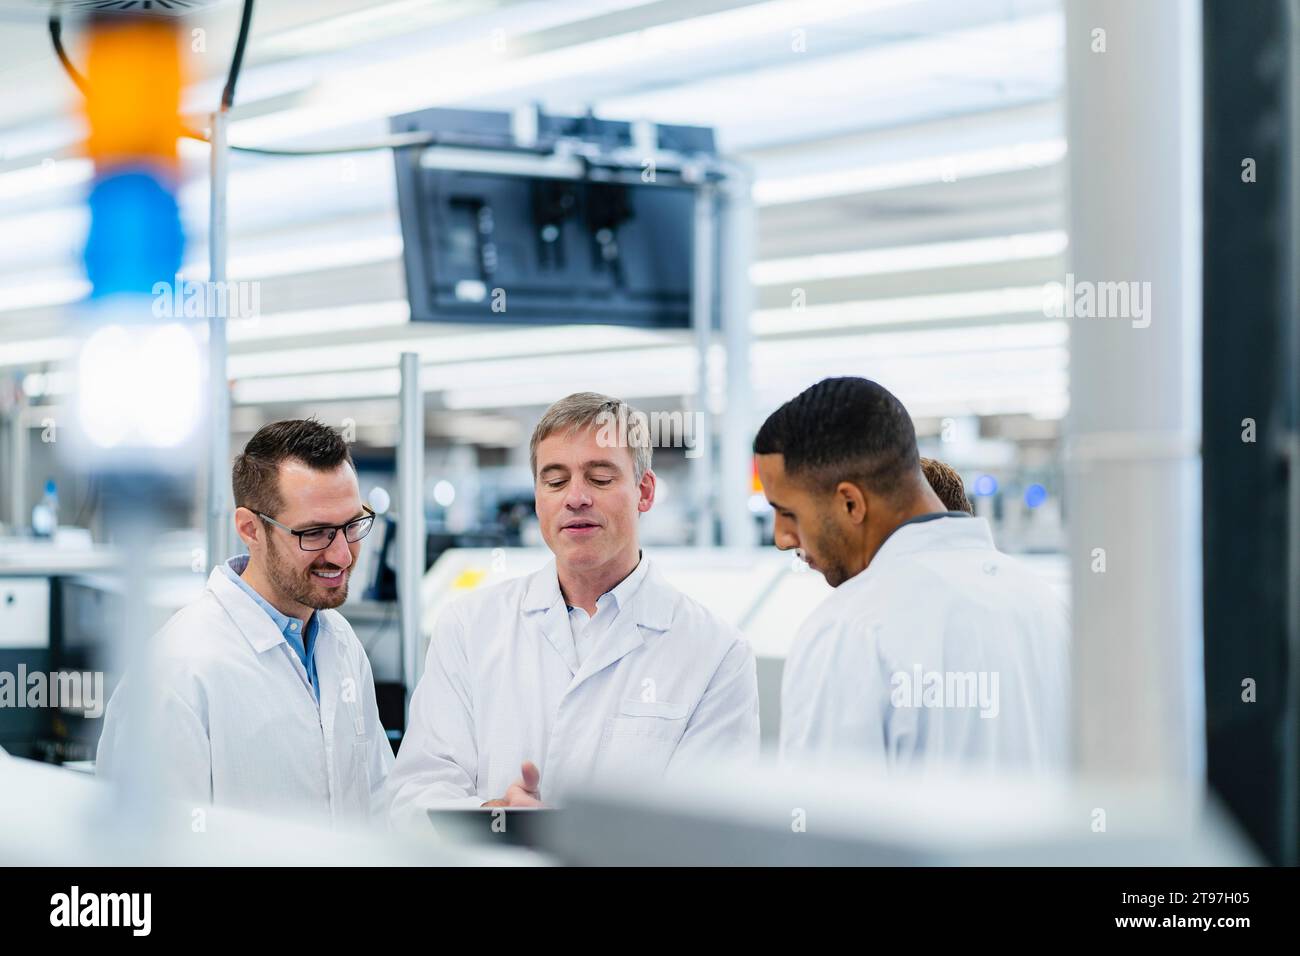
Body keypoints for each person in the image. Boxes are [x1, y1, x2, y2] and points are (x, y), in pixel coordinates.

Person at [387, 392, 759, 823]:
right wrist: (495, 817)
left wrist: (570, 839)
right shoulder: (469, 627)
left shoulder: (716, 652)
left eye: (599, 478)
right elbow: (413, 794)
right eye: (555, 480)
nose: (575, 498)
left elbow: (710, 832)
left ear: (644, 491)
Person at [754, 377, 1069, 772]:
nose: (782, 538)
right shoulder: (1048, 607)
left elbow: (823, 824)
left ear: (850, 503)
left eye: (787, 513)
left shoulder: (848, 630)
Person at [97, 419, 393, 823]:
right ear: (250, 529)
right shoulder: (177, 671)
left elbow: (379, 804)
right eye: (316, 532)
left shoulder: (341, 643)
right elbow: (151, 851)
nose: (342, 554)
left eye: (352, 525)